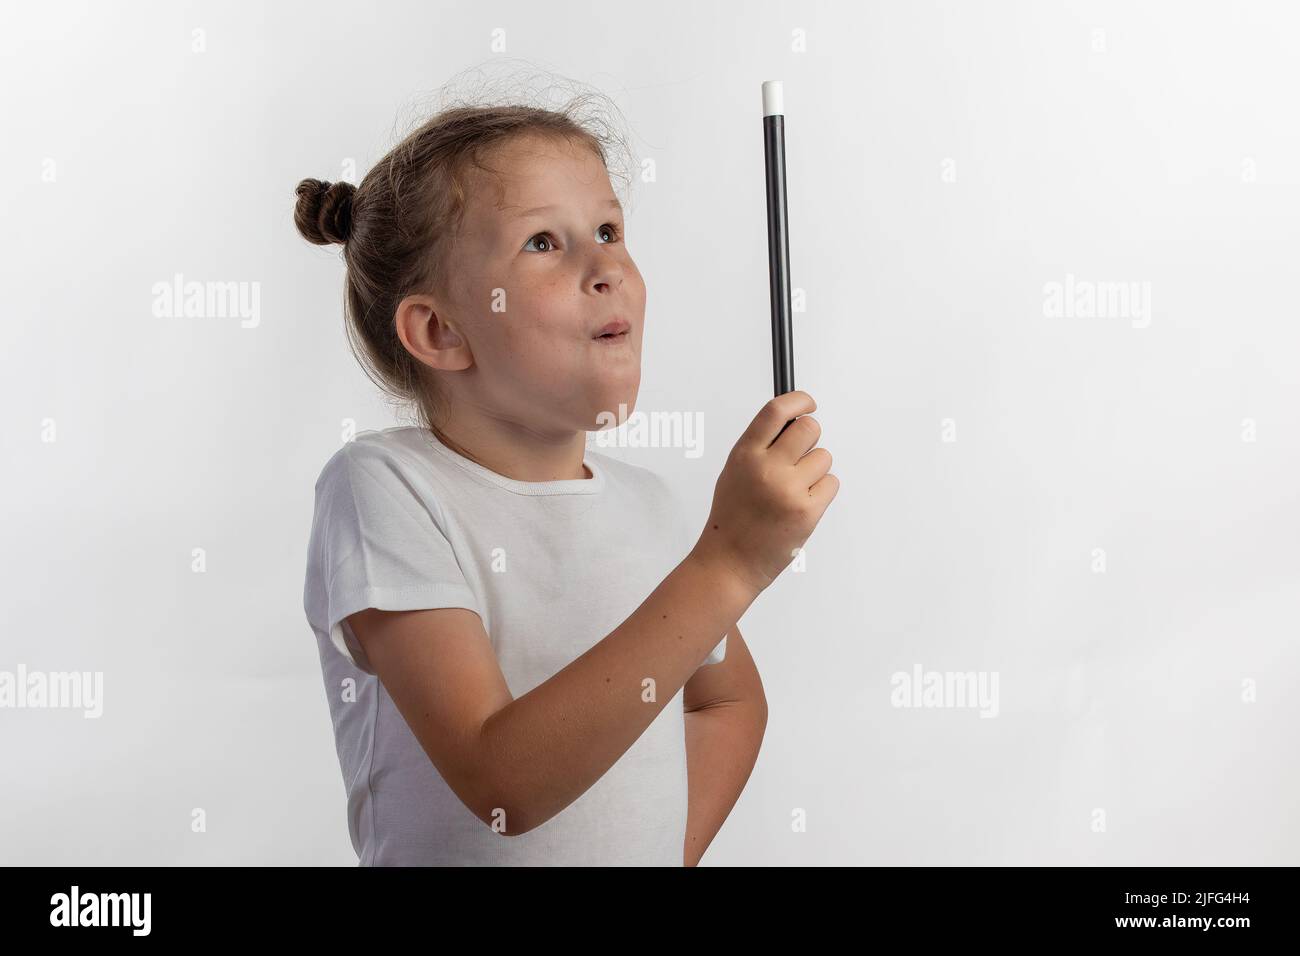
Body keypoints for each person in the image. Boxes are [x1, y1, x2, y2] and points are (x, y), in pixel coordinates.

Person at [296, 99, 838, 865]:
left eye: (610, 231)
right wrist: (731, 564)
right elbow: (499, 785)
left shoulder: (647, 507)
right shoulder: (384, 487)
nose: (607, 267)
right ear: (441, 331)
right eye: (544, 242)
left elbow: (727, 700)